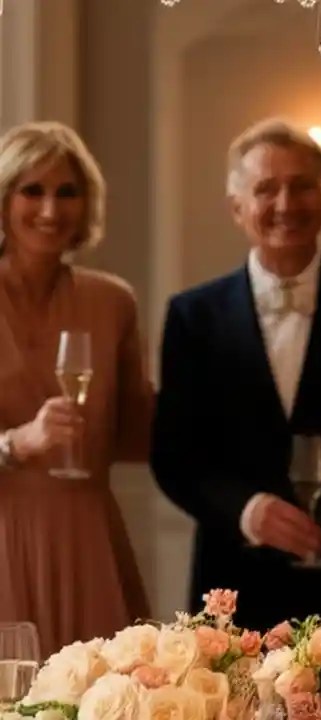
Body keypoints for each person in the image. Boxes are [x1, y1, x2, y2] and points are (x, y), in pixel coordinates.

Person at [151, 118, 321, 630]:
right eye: (265, 189)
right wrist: (246, 509)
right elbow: (174, 454)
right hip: (236, 583)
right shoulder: (193, 316)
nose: (284, 204)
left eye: (301, 186)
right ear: (237, 208)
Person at [0, 121, 152, 655]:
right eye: (31, 190)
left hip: (89, 536)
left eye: (67, 192)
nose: (50, 209)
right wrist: (18, 442)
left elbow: (139, 435)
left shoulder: (112, 302)